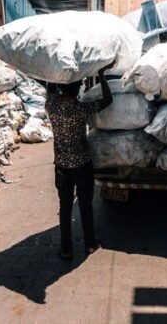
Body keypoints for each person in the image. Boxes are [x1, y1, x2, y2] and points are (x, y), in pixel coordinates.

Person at [45, 62, 115, 261]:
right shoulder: (82, 108)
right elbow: (108, 100)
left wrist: (53, 70)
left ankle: (66, 249)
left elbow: (50, 88)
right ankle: (90, 243)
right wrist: (101, 75)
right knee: (85, 206)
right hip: (82, 166)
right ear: (78, 90)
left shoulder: (52, 106)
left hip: (62, 168)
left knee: (65, 209)